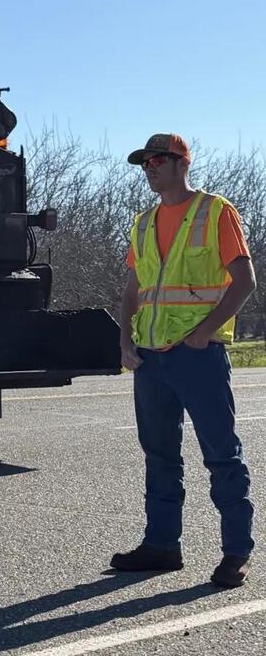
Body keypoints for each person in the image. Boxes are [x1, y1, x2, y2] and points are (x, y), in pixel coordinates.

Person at [112, 134, 257, 587]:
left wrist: (203, 333)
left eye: (158, 160)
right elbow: (134, 290)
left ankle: (236, 552)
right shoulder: (142, 222)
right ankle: (162, 545)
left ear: (181, 163)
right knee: (159, 455)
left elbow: (244, 281)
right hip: (150, 359)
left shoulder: (215, 212)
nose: (150, 168)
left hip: (198, 358)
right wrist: (124, 340)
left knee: (221, 454)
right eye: (145, 163)